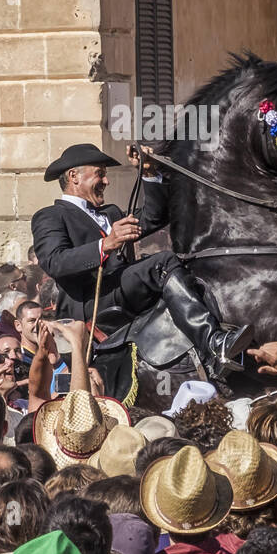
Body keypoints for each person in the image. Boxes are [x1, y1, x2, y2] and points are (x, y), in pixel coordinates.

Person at [29, 143, 250, 381]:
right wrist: (105, 244)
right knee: (162, 263)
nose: (106, 181)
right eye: (100, 173)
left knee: (184, 266)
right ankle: (214, 342)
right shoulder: (50, 216)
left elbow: (154, 217)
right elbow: (55, 262)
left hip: (123, 287)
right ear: (74, 176)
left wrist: (148, 173)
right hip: (91, 299)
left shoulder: (111, 213)